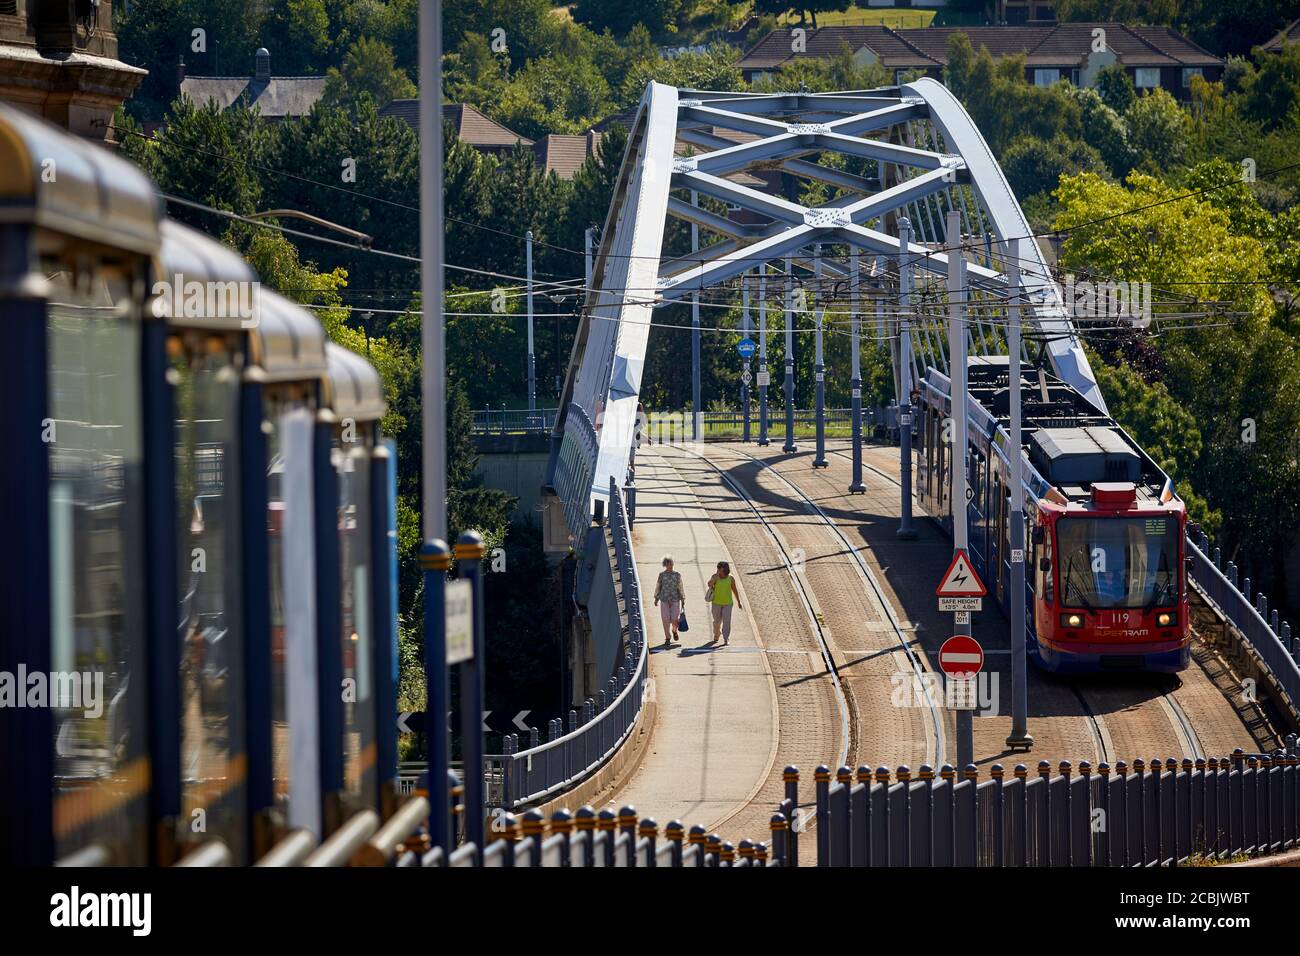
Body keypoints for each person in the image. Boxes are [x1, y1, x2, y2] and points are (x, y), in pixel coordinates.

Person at [706, 560, 743, 645]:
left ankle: (726, 638)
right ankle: (717, 634)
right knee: (716, 622)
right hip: (716, 603)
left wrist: (738, 601)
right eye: (718, 569)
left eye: (721, 570)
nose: (719, 571)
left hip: (728, 603)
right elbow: (709, 584)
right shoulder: (715, 576)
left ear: (725, 570)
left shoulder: (730, 578)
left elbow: (734, 590)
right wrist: (715, 577)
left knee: (727, 622)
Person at [653, 554, 685, 647]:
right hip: (664, 599)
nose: (670, 565)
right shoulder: (661, 575)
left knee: (675, 619)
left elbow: (680, 587)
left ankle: (674, 631)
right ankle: (667, 637)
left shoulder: (677, 575)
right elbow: (658, 586)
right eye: (668, 563)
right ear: (665, 564)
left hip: (675, 599)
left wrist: (683, 598)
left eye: (671, 563)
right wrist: (656, 598)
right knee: (665, 619)